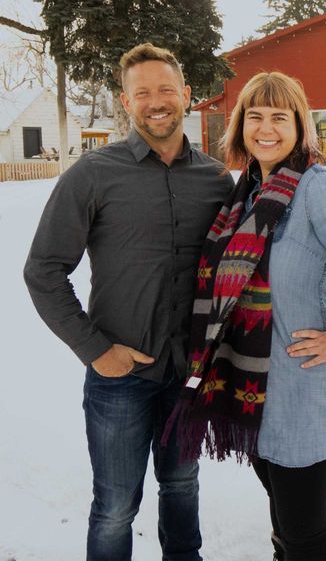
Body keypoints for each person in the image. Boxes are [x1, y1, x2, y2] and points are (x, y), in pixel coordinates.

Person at [169, 71, 326, 561]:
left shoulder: (316, 189)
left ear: (299, 126)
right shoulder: (247, 194)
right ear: (240, 126)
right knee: (283, 517)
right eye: (255, 116)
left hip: (300, 387)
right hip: (251, 387)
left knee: (305, 528)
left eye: (279, 117)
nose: (266, 129)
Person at [24, 43, 234, 561]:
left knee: (182, 485)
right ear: (125, 101)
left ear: (186, 94)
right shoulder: (94, 174)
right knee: (115, 507)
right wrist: (96, 350)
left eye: (166, 89)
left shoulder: (215, 179)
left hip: (188, 373)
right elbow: (44, 270)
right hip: (120, 377)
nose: (156, 101)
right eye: (142, 93)